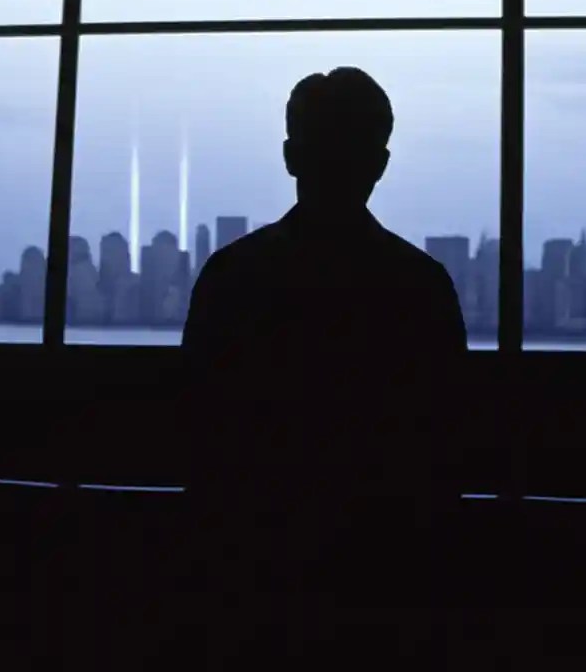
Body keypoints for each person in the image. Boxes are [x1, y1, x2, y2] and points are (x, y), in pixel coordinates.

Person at [181, 67, 467, 663]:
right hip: (386, 574)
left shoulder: (232, 276)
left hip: (246, 569)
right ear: (380, 163)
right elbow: (445, 441)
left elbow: (196, 426)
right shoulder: (421, 286)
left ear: (291, 156)